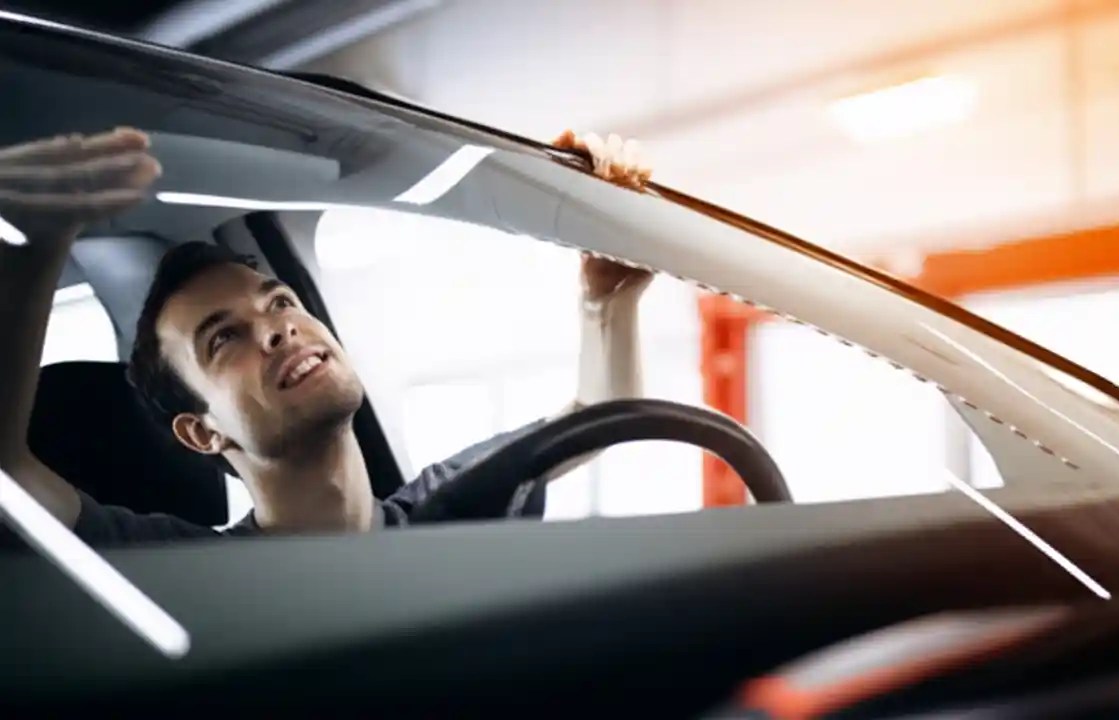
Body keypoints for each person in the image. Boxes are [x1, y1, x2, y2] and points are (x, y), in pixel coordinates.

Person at [0, 127, 654, 546]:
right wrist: (33, 245)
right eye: (224, 340)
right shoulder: (187, 576)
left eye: (279, 301)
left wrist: (608, 297)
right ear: (201, 432)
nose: (276, 328)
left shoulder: (449, 507)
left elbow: (599, 415)